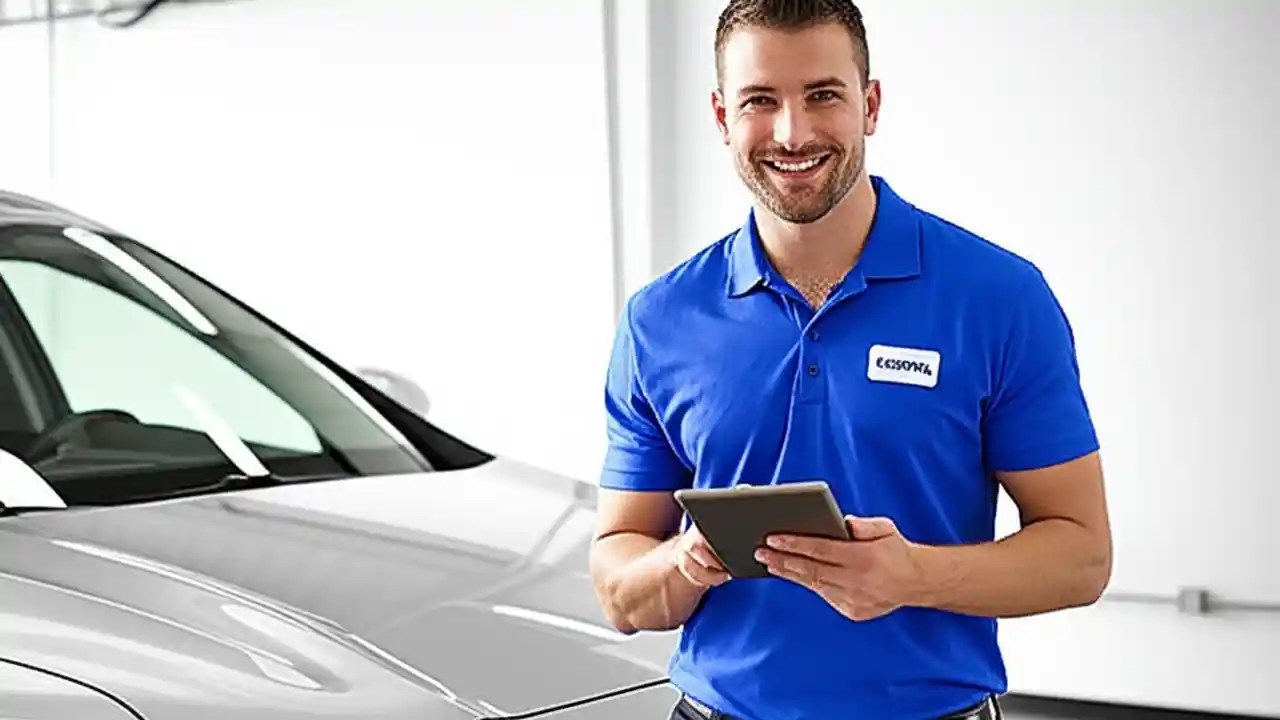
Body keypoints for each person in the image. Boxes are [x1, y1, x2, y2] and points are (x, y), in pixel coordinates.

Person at [588, 1, 1113, 718]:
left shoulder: (998, 298)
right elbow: (619, 587)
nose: (792, 132)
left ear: (870, 104)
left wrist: (912, 576)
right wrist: (684, 562)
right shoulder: (659, 321)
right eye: (760, 101)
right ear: (721, 118)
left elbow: (1081, 557)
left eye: (822, 95)